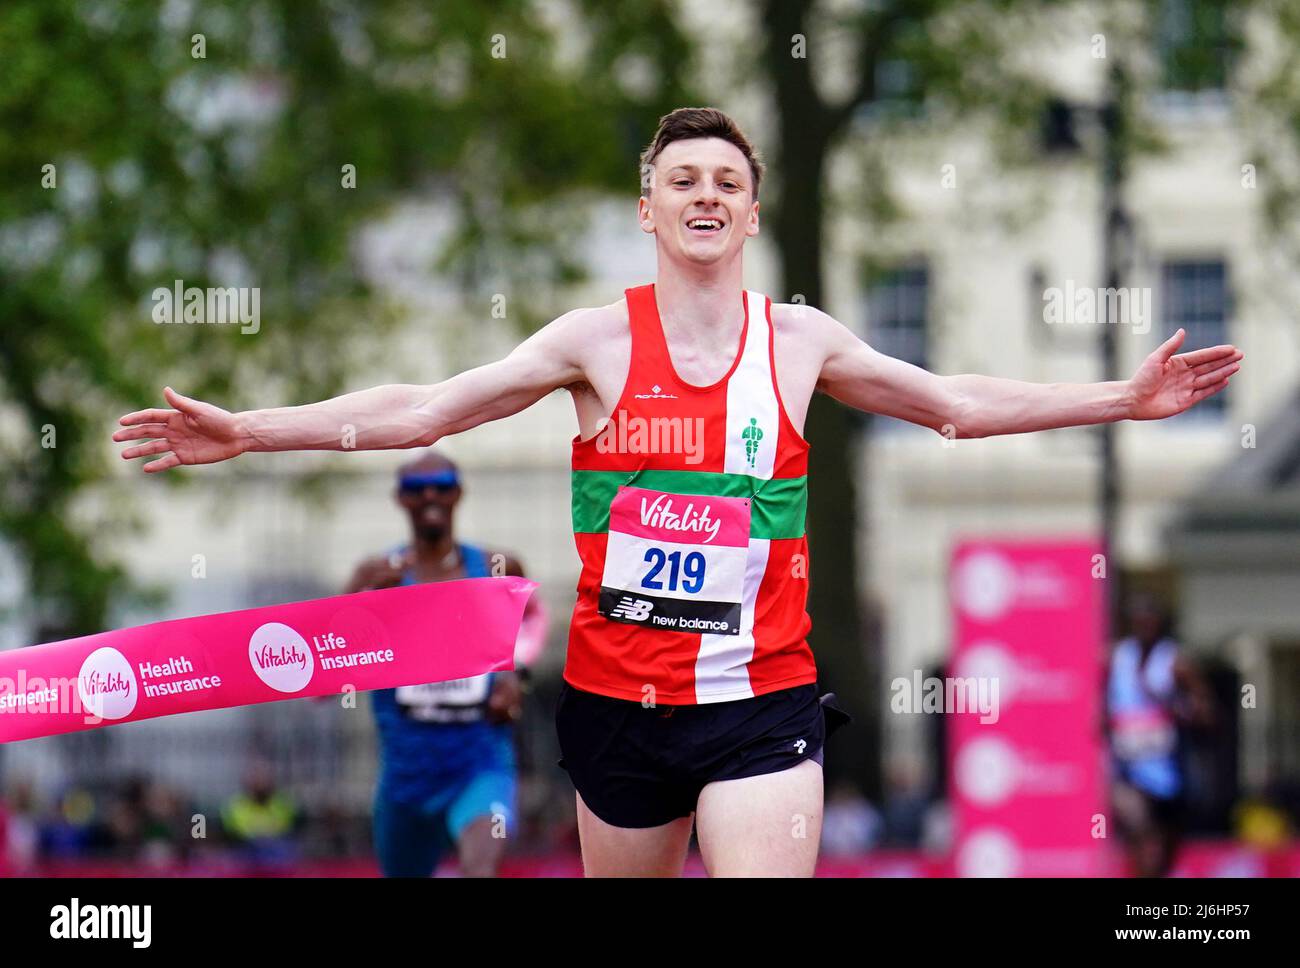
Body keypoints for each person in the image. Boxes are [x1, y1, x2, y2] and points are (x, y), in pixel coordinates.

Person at [114, 107, 1243, 876]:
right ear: (647, 209)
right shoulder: (593, 343)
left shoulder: (797, 344)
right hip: (620, 708)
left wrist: (1118, 397)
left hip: (763, 701)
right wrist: (248, 430)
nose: (706, 196)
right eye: (682, 181)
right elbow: (426, 409)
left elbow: (952, 401)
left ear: (752, 214)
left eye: (728, 183)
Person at [344, 449, 541, 877]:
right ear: (400, 499)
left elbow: (533, 624)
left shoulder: (496, 567)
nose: (430, 496)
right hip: (405, 776)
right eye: (417, 489)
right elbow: (326, 680)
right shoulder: (375, 574)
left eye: (442, 486)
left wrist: (516, 676)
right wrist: (364, 605)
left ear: (459, 494)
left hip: (479, 764)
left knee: (479, 869)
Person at [1105, 595, 1215, 877]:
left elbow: (1207, 713)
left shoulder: (1176, 663)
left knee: (1164, 848)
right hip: (1127, 770)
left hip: (1167, 774)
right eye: (1139, 620)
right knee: (1141, 832)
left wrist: (1178, 710)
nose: (1145, 627)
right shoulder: (1116, 658)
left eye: (1151, 621)